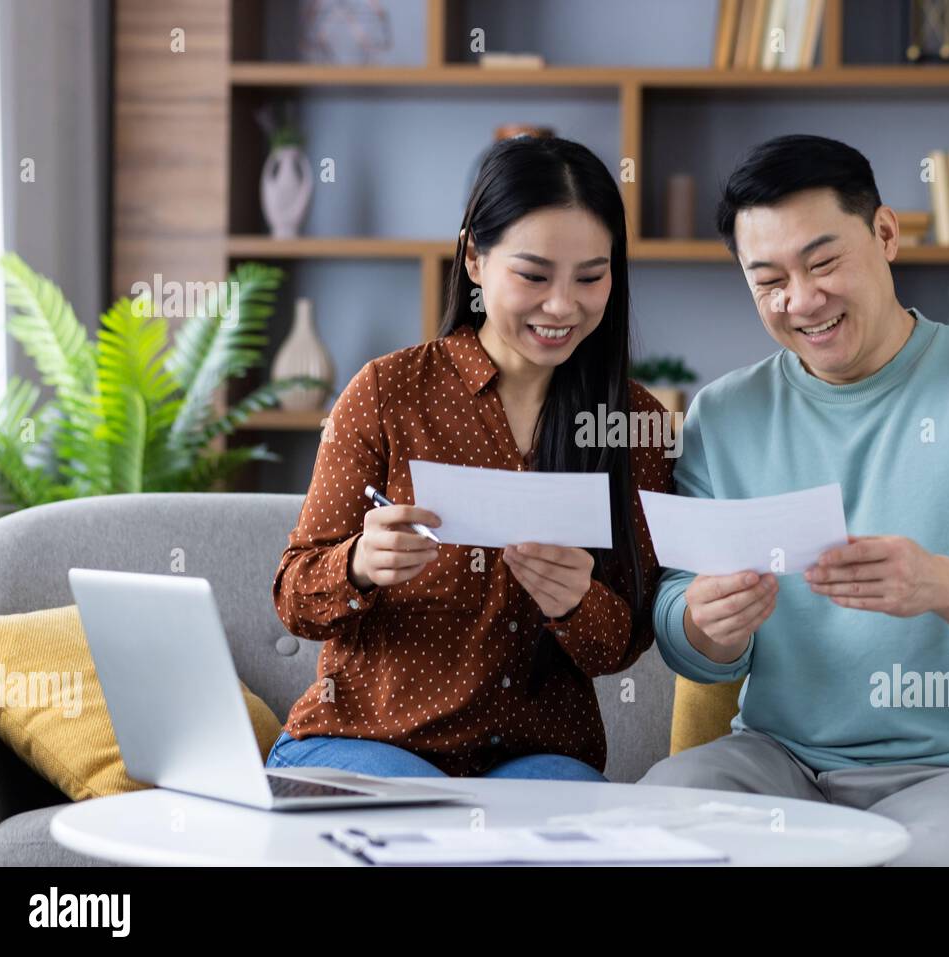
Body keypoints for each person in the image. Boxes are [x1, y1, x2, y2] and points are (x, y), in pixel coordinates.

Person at [639, 134, 949, 865]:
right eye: (767, 279)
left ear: (886, 234)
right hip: (781, 763)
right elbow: (682, 632)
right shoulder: (724, 417)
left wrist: (941, 583)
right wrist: (708, 623)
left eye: (823, 262)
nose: (801, 300)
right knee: (650, 829)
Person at [267, 136, 672, 780]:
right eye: (534, 276)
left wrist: (575, 601)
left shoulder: (634, 424)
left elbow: (621, 645)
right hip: (370, 737)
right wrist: (359, 565)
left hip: (536, 756)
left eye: (591, 277)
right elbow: (294, 596)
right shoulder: (387, 392)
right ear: (475, 260)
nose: (563, 305)